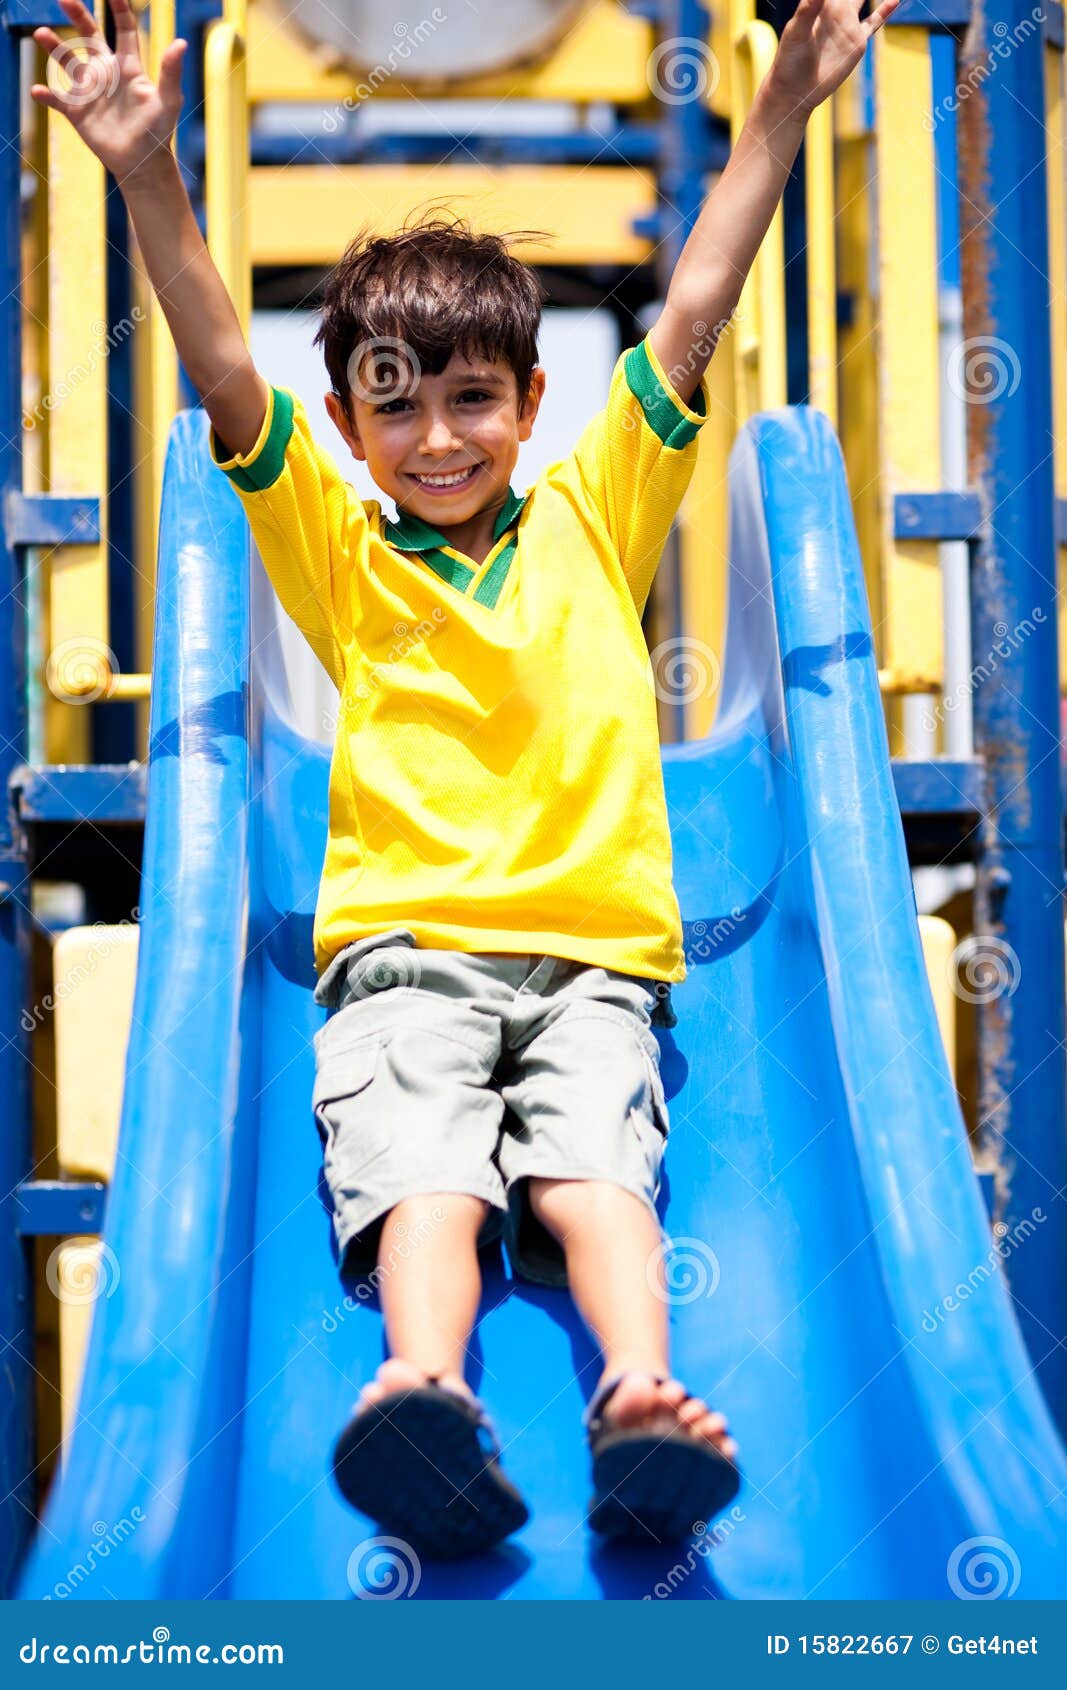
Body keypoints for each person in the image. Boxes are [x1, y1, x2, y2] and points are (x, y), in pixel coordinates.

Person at [34, 0, 898, 1560]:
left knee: (594, 1172)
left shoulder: (597, 506)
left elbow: (697, 296)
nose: (438, 434)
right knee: (424, 1167)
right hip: (405, 958)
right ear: (353, 428)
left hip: (595, 964)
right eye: (396, 402)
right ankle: (420, 1389)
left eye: (473, 398)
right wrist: (148, 174)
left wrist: (778, 105)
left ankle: (639, 1392)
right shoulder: (338, 549)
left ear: (533, 400)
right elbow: (226, 365)